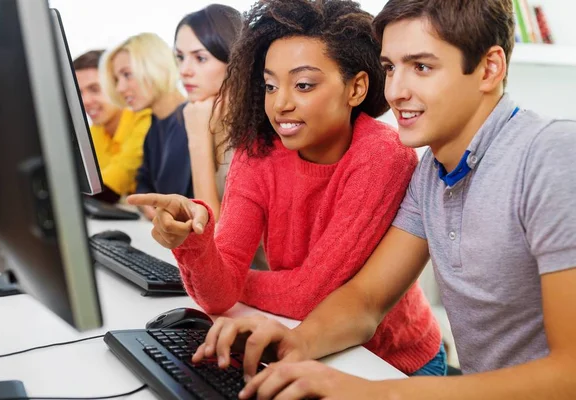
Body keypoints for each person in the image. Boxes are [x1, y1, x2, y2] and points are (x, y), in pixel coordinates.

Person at [187, 0, 576, 398]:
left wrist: (377, 393)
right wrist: (297, 343)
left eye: (422, 67)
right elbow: (366, 299)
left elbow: (570, 374)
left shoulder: (552, 154)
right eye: (390, 68)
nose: (395, 91)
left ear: (489, 69)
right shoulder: (432, 174)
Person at [129, 0, 445, 377]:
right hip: (305, 346)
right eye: (270, 85)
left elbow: (310, 297)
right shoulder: (257, 152)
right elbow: (217, 295)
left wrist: (233, 279)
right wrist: (195, 241)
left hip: (389, 362)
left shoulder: (382, 155)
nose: (280, 104)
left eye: (304, 85)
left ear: (357, 88)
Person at [100, 33, 187, 220]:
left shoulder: (191, 121)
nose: (120, 88)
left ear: (156, 67)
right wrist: (147, 203)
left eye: (127, 75)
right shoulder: (154, 127)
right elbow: (143, 180)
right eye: (117, 79)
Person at [175, 4, 242, 221]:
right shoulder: (207, 117)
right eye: (180, 56)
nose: (184, 70)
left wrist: (197, 140)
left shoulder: (257, 137)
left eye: (200, 58)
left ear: (235, 61)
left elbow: (216, 238)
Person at [74, 50, 151, 203]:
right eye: (78, 93)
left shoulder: (144, 119)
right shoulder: (96, 130)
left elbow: (107, 190)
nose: (85, 101)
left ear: (116, 87)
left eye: (94, 89)